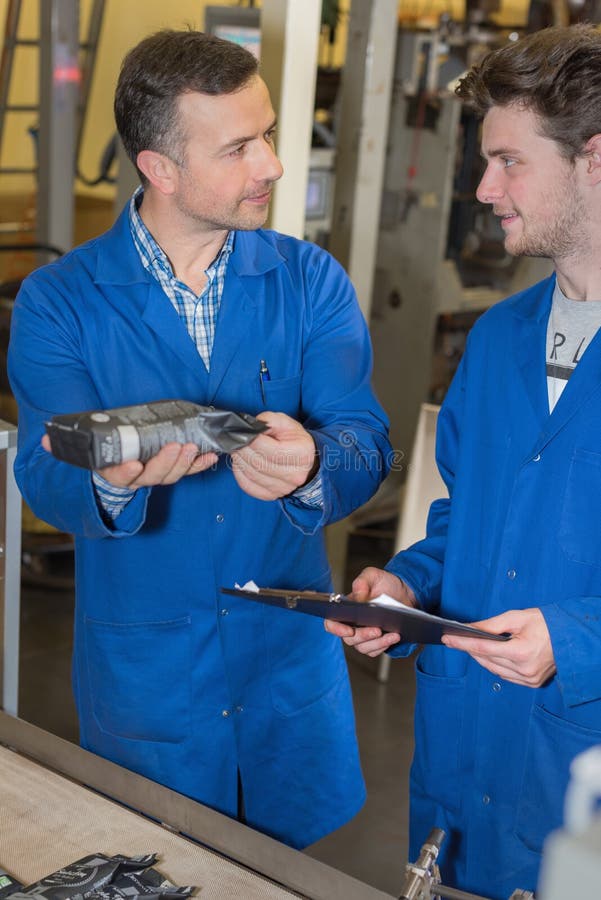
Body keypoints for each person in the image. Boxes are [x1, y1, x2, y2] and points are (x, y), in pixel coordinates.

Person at [8, 29, 392, 849]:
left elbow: (365, 440)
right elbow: (44, 475)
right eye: (240, 148)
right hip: (150, 671)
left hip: (284, 657)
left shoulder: (309, 280)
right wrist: (115, 482)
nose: (273, 166)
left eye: (269, 136)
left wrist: (314, 465)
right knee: (158, 859)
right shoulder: (58, 303)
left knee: (286, 866)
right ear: (160, 168)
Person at [326, 23, 601, 899]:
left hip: (577, 788)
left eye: (509, 161)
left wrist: (576, 639)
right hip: (462, 780)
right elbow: (466, 522)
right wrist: (408, 588)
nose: (483, 188)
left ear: (593, 160)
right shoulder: (498, 341)